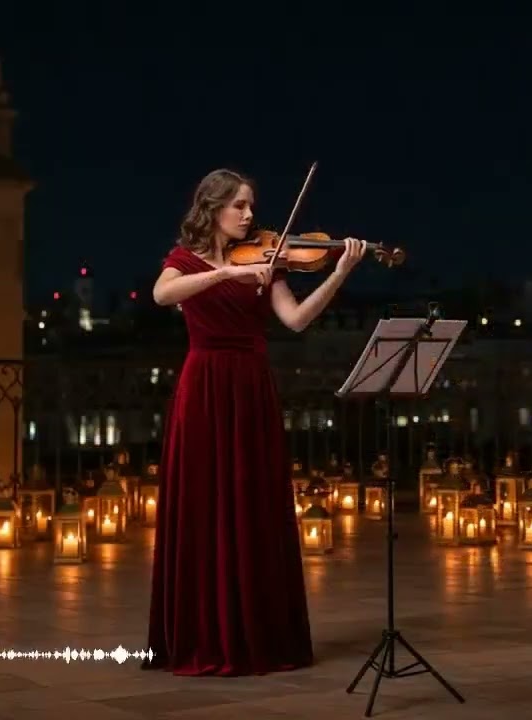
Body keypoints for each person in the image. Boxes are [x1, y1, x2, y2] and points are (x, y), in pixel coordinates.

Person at [142, 168, 366, 676]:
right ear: (211, 209)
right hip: (204, 387)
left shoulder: (269, 260)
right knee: (204, 502)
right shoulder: (186, 261)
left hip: (250, 386)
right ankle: (203, 633)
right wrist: (225, 274)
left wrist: (338, 273)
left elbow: (297, 320)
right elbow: (162, 295)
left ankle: (256, 632)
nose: (248, 215)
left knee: (252, 500)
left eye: (250, 206)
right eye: (238, 206)